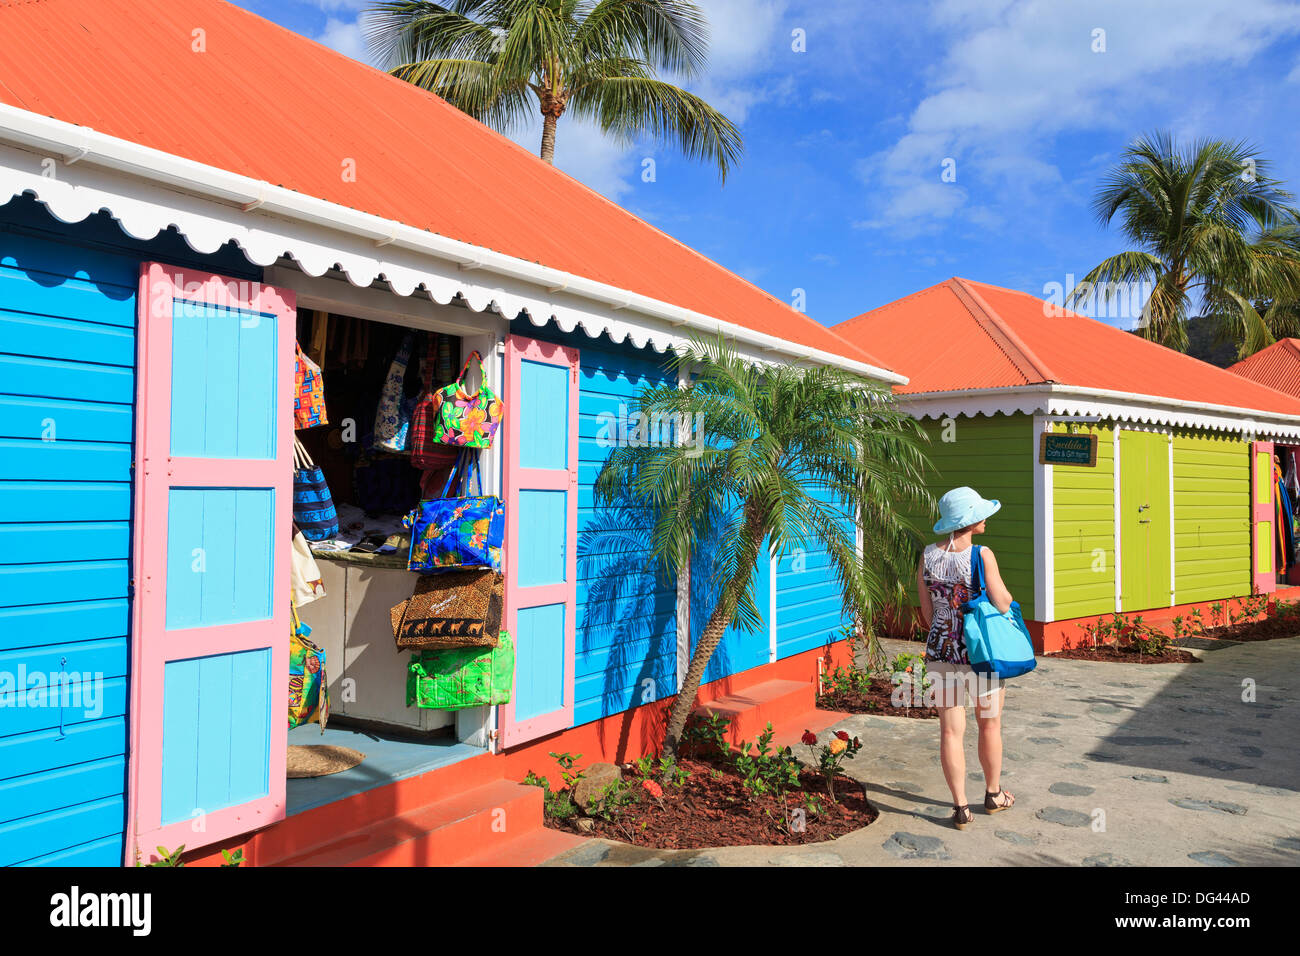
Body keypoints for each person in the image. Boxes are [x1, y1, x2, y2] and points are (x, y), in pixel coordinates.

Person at [916, 486, 1016, 830]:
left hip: (942, 652)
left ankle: (960, 808)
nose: (985, 518)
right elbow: (1002, 602)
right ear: (970, 520)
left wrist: (948, 633)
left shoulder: (928, 555)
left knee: (950, 731)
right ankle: (993, 794)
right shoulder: (982, 553)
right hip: (981, 657)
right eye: (980, 512)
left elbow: (928, 612)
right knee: (989, 722)